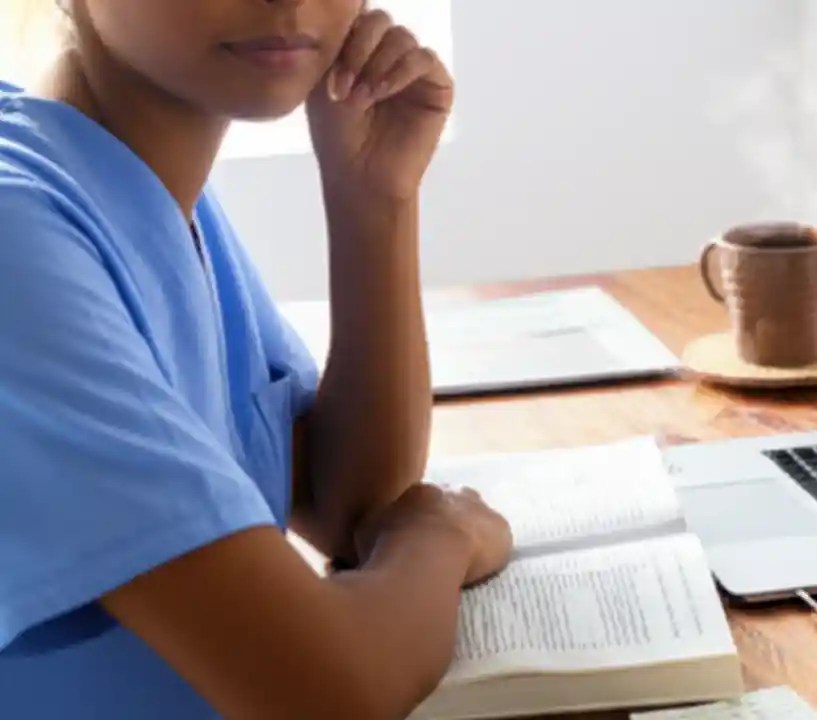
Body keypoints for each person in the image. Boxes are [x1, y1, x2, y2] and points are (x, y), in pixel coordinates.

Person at [0, 1, 514, 718]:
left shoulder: (150, 190)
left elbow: (349, 507)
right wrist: (443, 534)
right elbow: (328, 695)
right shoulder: (17, 239)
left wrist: (374, 197)